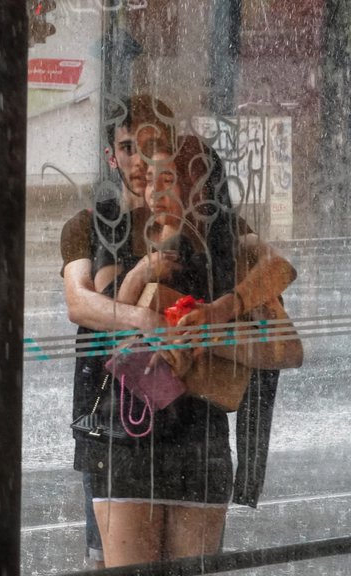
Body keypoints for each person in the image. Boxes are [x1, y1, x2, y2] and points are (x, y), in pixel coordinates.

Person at [87, 135, 299, 567]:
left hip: (200, 443)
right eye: (150, 180)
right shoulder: (127, 235)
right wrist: (143, 274)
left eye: (168, 180)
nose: (154, 191)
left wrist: (215, 323)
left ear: (199, 190)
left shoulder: (230, 248)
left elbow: (286, 348)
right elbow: (109, 326)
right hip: (129, 436)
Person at [60, 94, 174, 568]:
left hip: (180, 421)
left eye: (151, 145)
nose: (140, 158)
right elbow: (79, 302)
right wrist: (141, 317)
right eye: (128, 147)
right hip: (107, 420)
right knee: (106, 561)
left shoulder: (187, 223)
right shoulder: (87, 225)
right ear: (112, 156)